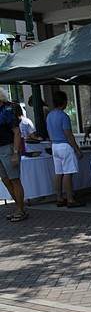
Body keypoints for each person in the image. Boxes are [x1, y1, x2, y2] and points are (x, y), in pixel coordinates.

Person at [46, 91, 86, 208]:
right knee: (68, 173)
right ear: (64, 102)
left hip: (55, 145)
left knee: (58, 173)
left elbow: (48, 132)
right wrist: (77, 148)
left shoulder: (49, 116)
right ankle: (70, 199)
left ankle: (59, 198)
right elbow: (68, 134)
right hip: (65, 145)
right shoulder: (63, 116)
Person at [0, 90, 26, 222]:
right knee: (5, 179)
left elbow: (17, 132)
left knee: (14, 179)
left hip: (8, 148)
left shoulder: (7, 111)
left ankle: (20, 209)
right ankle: (18, 206)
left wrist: (15, 153)